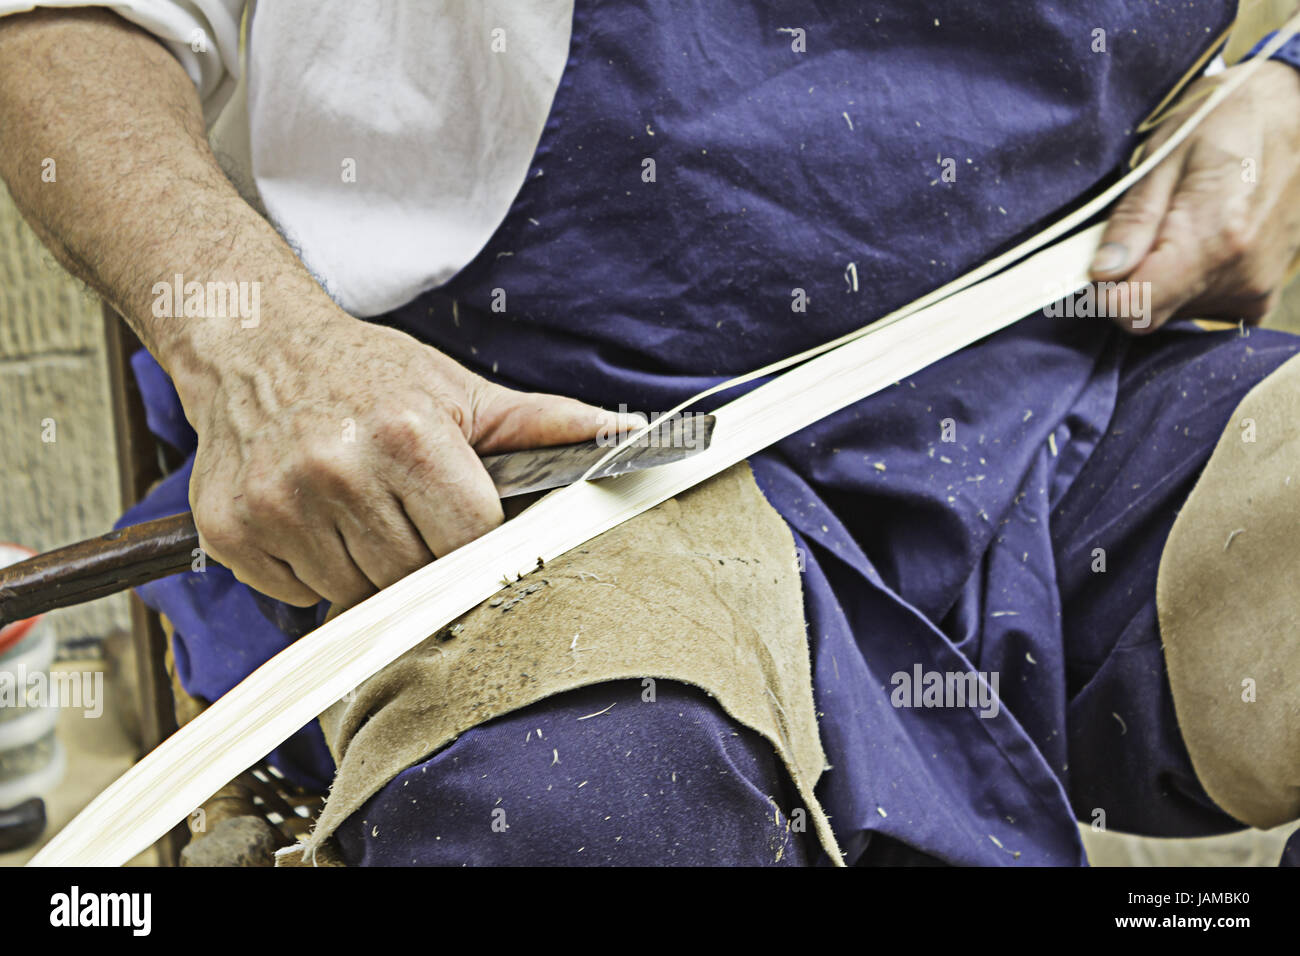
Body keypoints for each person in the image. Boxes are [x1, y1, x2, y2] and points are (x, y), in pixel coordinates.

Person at [2, 1, 1299, 866]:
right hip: (506, 460)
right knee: (606, 804)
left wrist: (1287, 94)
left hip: (1038, 387)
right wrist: (259, 351)